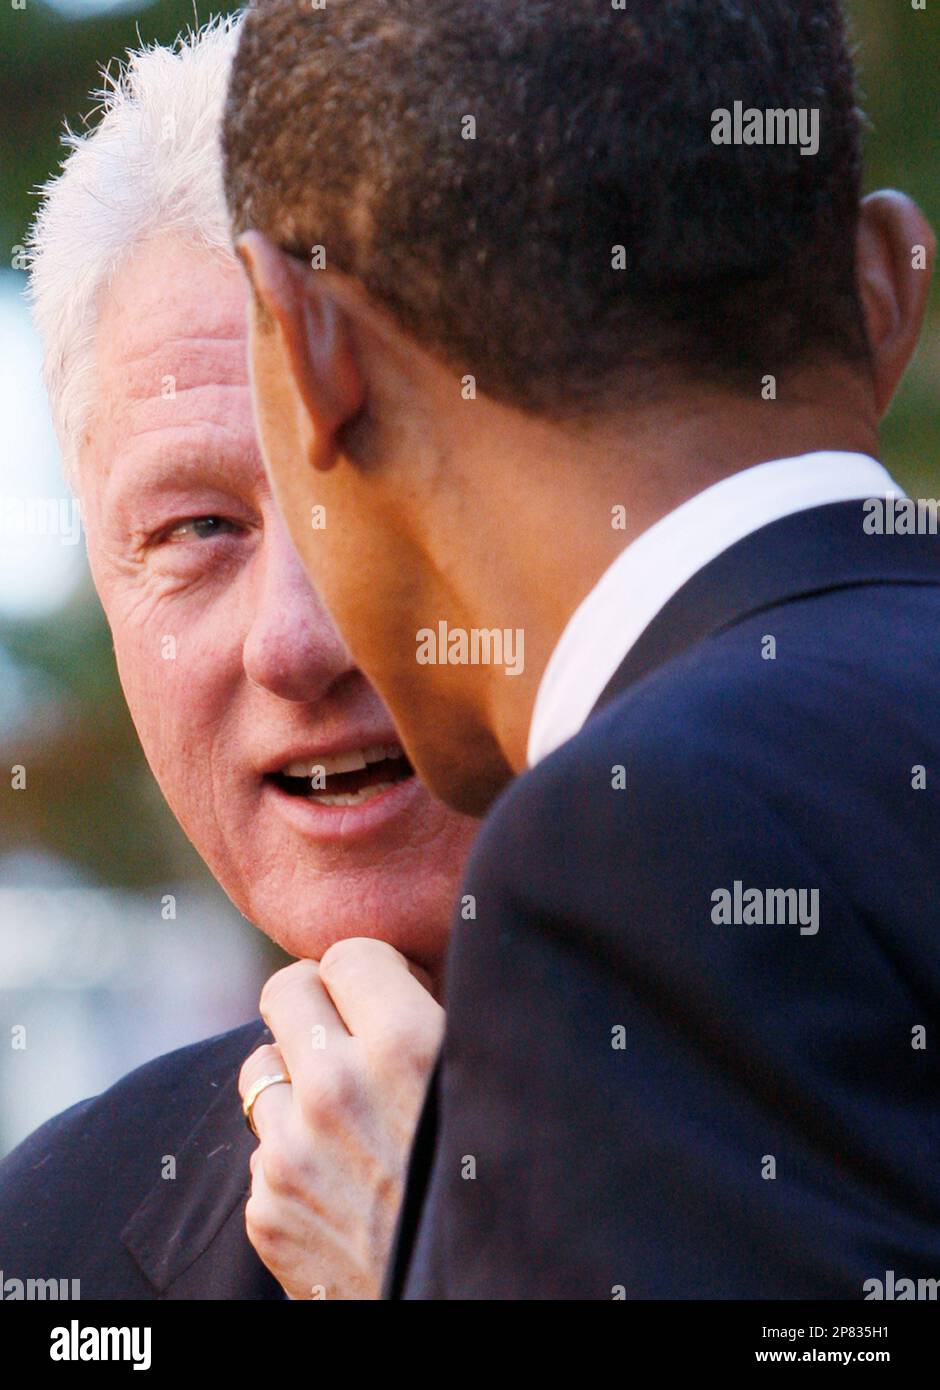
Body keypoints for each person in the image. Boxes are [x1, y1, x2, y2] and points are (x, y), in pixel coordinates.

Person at [221, 0, 940, 1297]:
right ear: (884, 281)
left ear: (306, 342)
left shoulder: (632, 836)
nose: (287, 645)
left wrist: (423, 1260)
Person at [0, 18, 477, 1302]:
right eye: (197, 528)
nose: (294, 640)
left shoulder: (858, 1141)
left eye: (371, 490)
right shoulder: (50, 1240)